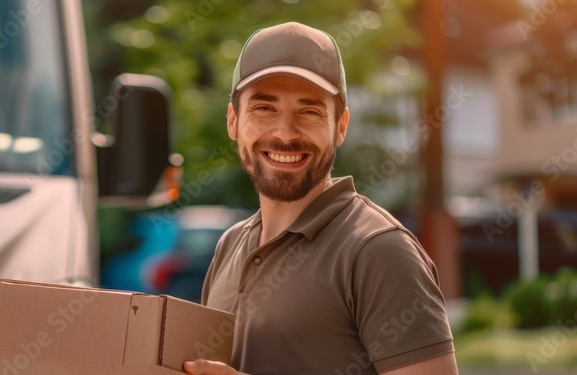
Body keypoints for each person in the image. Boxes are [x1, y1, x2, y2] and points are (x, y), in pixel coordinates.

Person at [181, 22, 459, 375]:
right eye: (264, 108)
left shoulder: (378, 250)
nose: (284, 133)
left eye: (309, 111)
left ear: (340, 126)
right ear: (233, 121)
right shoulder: (230, 245)